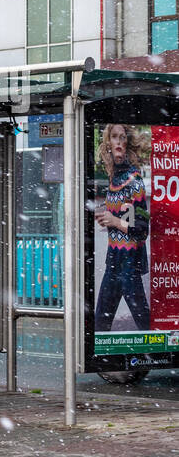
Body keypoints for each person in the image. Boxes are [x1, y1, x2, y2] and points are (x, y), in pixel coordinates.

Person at [94, 123, 150, 331]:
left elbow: (141, 229)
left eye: (123, 137)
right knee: (100, 323)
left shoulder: (133, 181)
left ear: (128, 143)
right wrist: (108, 220)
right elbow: (126, 219)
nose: (119, 141)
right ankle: (104, 363)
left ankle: (151, 359)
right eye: (114, 137)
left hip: (129, 266)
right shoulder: (113, 180)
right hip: (114, 263)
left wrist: (115, 221)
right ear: (108, 142)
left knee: (143, 321)